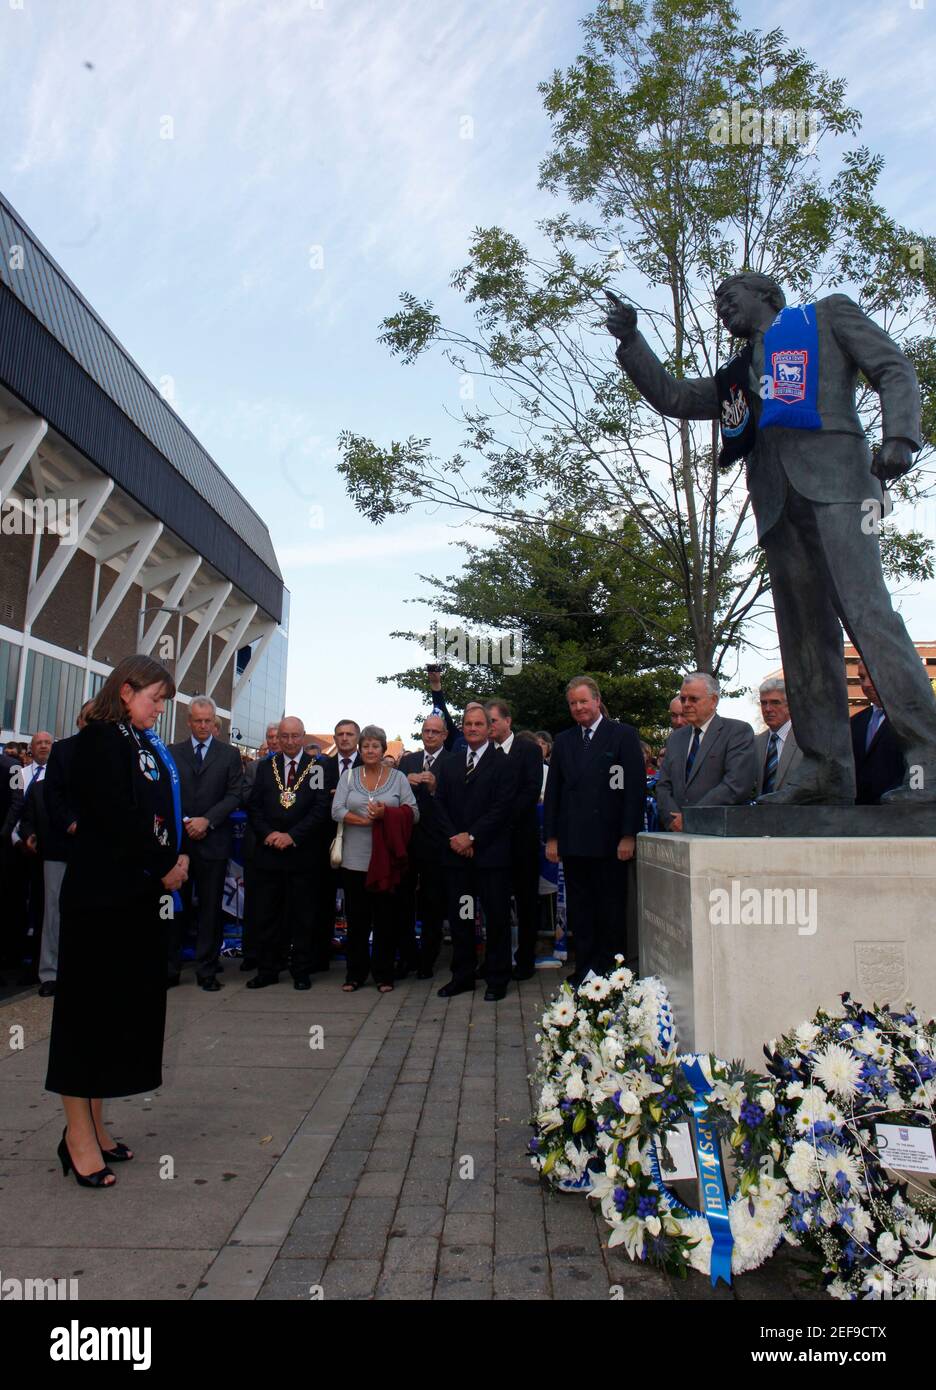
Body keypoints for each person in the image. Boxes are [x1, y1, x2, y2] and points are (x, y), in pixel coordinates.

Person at [608, 271, 936, 804]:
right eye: (716, 301)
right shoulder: (736, 375)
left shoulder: (825, 316)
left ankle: (929, 758)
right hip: (777, 501)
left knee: (869, 616)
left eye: (728, 296)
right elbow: (675, 396)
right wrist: (631, 341)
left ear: (767, 296)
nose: (721, 306)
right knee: (804, 638)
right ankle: (826, 771)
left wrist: (901, 434)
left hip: (839, 485)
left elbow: (893, 367)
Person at [44, 655, 188, 1188]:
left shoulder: (136, 741)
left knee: (110, 1017)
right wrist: (162, 866)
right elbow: (117, 820)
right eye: (155, 698)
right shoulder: (103, 741)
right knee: (85, 1020)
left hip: (131, 896)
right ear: (126, 691)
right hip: (100, 901)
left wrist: (175, 856)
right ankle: (76, 1137)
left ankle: (98, 1126)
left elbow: (155, 812)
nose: (159, 710)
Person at [544, 676, 646, 982]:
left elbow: (634, 789)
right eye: (573, 703)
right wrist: (551, 837)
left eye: (583, 701)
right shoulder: (563, 741)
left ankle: (613, 972)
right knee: (581, 910)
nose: (579, 708)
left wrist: (628, 834)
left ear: (597, 701)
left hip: (611, 841)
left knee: (611, 909)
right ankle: (585, 969)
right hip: (574, 842)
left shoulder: (622, 735)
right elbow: (554, 793)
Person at [433, 703, 517, 1002]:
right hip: (458, 858)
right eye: (467, 724)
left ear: (489, 728)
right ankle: (463, 976)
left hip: (490, 857)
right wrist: (456, 838)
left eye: (478, 724)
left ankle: (496, 978)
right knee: (461, 918)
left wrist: (472, 837)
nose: (472, 728)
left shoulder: (503, 763)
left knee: (495, 919)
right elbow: (438, 804)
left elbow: (502, 808)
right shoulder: (450, 763)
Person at [332, 725, 418, 992]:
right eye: (365, 746)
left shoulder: (399, 778)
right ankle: (355, 974)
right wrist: (364, 820)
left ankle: (383, 974)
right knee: (356, 920)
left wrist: (386, 816)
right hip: (354, 860)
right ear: (359, 749)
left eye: (375, 746)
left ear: (383, 750)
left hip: (386, 862)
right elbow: (337, 810)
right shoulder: (348, 777)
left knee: (385, 920)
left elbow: (413, 813)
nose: (370, 750)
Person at [169, 697, 245, 990]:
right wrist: (188, 822)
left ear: (216, 723)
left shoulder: (229, 755)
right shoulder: (172, 753)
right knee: (175, 908)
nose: (203, 726)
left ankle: (207, 970)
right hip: (179, 842)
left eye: (208, 721)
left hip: (213, 842)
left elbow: (234, 794)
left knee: (211, 909)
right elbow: (167, 792)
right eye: (198, 720)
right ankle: (170, 967)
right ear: (189, 722)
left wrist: (206, 821)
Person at [246, 716, 327, 991]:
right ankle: (267, 969)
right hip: (269, 854)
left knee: (302, 916)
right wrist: (268, 834)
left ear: (303, 737)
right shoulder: (266, 767)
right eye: (285, 736)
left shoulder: (316, 768)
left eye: (295, 736)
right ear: (277, 738)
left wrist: (292, 836)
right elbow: (254, 806)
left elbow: (319, 809)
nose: (290, 742)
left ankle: (301, 970)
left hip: (302, 854)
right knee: (267, 915)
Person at [19, 702, 93, 997]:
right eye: (88, 718)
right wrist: (71, 823)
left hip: (96, 848)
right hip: (61, 845)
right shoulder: (63, 751)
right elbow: (53, 794)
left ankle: (85, 970)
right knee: (53, 912)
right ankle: (50, 972)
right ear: (78, 721)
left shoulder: (111, 752)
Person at [484, 699, 544, 982]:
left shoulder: (528, 750)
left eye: (492, 721)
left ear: (507, 721)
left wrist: (501, 817)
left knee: (526, 901)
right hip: (492, 844)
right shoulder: (483, 753)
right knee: (494, 904)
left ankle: (525, 960)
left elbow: (531, 790)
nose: (489, 727)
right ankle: (495, 959)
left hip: (521, 839)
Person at [654, 673, 756, 830]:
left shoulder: (737, 732)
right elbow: (663, 785)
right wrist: (672, 818)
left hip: (718, 832)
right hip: (677, 831)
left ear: (713, 701)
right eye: (683, 699)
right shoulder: (675, 738)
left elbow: (736, 785)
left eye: (693, 699)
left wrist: (691, 817)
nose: (686, 704)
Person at [396, 714, 455, 979]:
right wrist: (403, 784)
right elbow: (392, 796)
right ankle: (407, 956)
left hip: (437, 844)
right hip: (408, 843)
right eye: (426, 731)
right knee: (403, 902)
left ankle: (428, 959)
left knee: (432, 904)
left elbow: (458, 802)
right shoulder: (407, 761)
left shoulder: (452, 762)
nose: (429, 735)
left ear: (444, 735)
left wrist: (434, 788)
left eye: (435, 732)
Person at [6, 730, 54, 984]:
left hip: (44, 855)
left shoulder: (56, 779)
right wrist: (17, 839)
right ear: (31, 749)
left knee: (40, 905)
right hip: (17, 849)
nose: (44, 747)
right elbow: (12, 810)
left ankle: (38, 959)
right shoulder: (20, 775)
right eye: (39, 743)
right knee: (15, 902)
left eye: (48, 743)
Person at [315, 720, 362, 972]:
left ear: (357, 737)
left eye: (349, 734)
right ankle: (320, 957)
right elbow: (314, 798)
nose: (344, 738)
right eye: (340, 734)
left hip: (357, 842)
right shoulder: (321, 766)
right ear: (334, 738)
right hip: (325, 842)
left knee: (356, 905)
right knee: (323, 904)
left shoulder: (367, 766)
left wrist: (343, 798)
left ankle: (356, 962)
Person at [851, 661, 905, 805]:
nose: (866, 684)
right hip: (859, 815)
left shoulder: (915, 721)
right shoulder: (854, 723)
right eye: (862, 678)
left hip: (901, 814)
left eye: (873, 676)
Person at [754, 678, 803, 797]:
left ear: (789, 706)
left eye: (775, 702)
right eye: (764, 703)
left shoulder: (804, 741)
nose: (768, 709)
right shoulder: (755, 743)